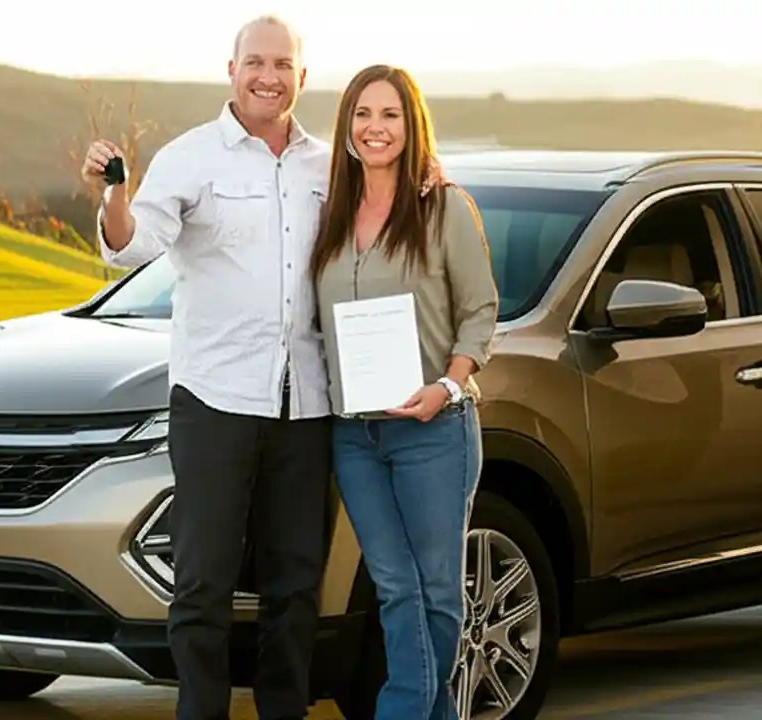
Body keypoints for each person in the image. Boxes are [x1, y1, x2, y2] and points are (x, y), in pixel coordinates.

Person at [80, 15, 331, 720]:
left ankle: (286, 711)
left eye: (283, 65)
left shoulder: (326, 165)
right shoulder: (191, 157)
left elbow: (370, 243)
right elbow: (131, 246)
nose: (268, 77)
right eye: (256, 62)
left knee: (295, 581)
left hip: (306, 401)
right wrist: (114, 191)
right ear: (231, 69)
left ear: (301, 78)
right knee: (202, 582)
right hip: (216, 398)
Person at [310, 65, 499, 720]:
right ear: (346, 127)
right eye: (363, 114)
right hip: (353, 434)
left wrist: (448, 385)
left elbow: (480, 312)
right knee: (394, 587)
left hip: (434, 431)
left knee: (437, 592)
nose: (375, 128)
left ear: (411, 124)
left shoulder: (442, 206)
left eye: (390, 114)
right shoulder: (329, 210)